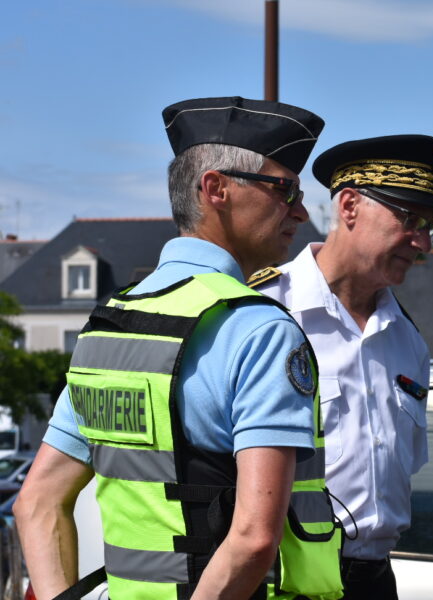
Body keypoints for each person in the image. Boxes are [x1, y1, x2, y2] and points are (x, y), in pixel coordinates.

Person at [14, 96, 344, 600]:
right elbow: (254, 539)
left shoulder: (109, 324)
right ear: (216, 189)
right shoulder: (258, 330)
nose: (300, 211)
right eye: (284, 189)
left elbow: (36, 502)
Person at [249, 134, 433, 600]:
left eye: (429, 227)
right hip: (283, 578)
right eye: (410, 219)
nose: (423, 242)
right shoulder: (263, 310)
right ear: (349, 206)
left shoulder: (407, 339)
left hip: (376, 579)